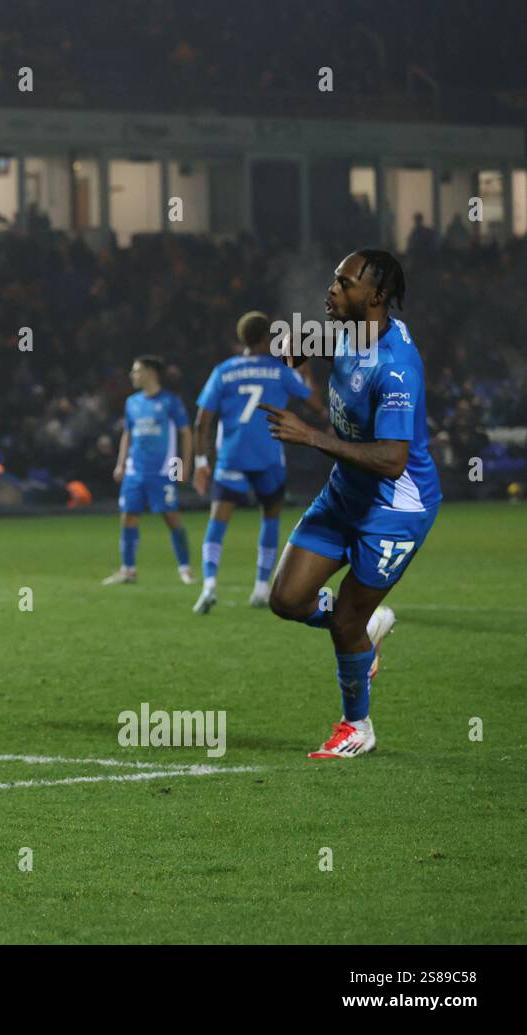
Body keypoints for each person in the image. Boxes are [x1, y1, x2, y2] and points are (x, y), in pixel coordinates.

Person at [260, 250, 440, 758]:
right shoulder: (346, 328)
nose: (332, 290)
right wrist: (291, 347)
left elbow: (391, 459)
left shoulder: (396, 367)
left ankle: (357, 727)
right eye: (333, 279)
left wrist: (313, 437)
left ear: (377, 297)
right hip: (346, 491)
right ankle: (370, 623)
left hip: (393, 508)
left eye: (344, 283)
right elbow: (302, 343)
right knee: (287, 600)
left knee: (344, 625)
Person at [191, 311, 319, 613]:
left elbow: (202, 421)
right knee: (270, 519)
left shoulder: (223, 371)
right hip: (269, 459)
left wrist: (200, 461)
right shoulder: (279, 370)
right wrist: (306, 368)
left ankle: (209, 584)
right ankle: (261, 589)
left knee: (217, 522)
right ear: (265, 339)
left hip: (231, 457)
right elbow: (314, 404)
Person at [103, 356, 194, 586]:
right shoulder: (132, 402)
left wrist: (183, 466)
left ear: (151, 373)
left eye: (136, 371)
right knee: (128, 517)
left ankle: (185, 569)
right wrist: (121, 463)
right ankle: (128, 570)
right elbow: (128, 434)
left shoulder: (170, 402)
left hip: (163, 471)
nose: (132, 375)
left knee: (172, 518)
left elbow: (185, 434)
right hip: (135, 470)